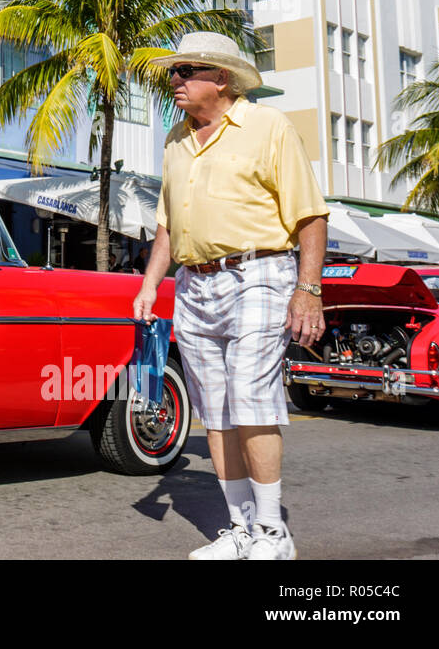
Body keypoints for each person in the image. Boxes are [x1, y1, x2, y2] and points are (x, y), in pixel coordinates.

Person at [132, 32, 328, 561]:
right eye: (172, 73)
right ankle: (240, 529)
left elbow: (309, 214)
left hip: (259, 271)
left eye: (185, 71)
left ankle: (273, 532)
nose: (173, 80)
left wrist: (307, 290)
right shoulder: (175, 140)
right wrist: (151, 283)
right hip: (195, 282)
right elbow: (169, 225)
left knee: (249, 395)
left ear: (220, 78)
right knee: (213, 409)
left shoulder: (267, 126)